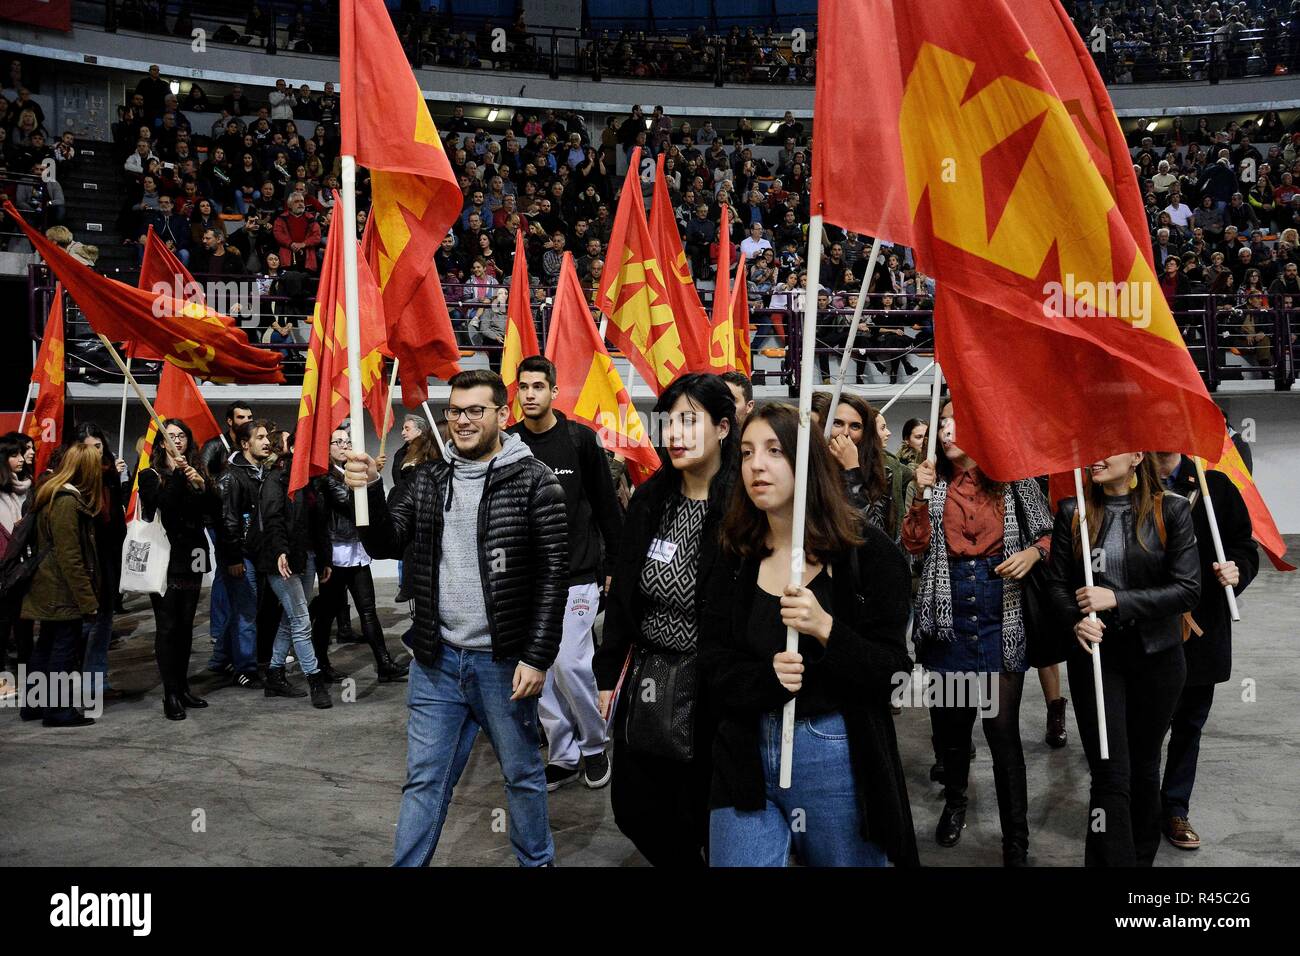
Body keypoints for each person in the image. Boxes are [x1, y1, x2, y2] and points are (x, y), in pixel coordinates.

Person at [346, 369, 568, 867]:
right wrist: (368, 493)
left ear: (501, 415)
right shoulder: (427, 477)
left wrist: (536, 657)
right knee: (424, 780)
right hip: (435, 660)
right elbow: (385, 541)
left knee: (523, 776)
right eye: (454, 411)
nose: (462, 421)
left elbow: (555, 578)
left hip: (503, 663)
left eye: (475, 411)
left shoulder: (536, 482)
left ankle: (538, 863)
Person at [701, 402, 918, 866]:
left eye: (774, 451)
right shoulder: (733, 549)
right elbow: (712, 662)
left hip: (833, 753)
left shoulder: (866, 552)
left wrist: (826, 629)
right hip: (745, 753)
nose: (756, 464)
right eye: (746, 452)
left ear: (808, 462)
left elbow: (894, 674)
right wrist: (764, 679)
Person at [593, 373, 737, 866]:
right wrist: (609, 672)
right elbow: (624, 592)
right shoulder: (652, 499)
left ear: (722, 428)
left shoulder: (746, 506)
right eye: (669, 421)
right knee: (635, 809)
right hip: (651, 678)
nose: (674, 434)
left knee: (704, 810)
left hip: (715, 688)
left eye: (689, 421)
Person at [905, 400, 1054, 866]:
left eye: (957, 420)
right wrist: (917, 495)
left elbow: (1048, 533)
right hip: (945, 614)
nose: (947, 429)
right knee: (951, 728)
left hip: (1000, 613)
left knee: (1002, 730)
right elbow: (911, 545)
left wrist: (1033, 554)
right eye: (943, 421)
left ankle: (1016, 838)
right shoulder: (931, 481)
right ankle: (955, 802)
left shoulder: (1012, 476)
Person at [1045, 453, 1200, 867]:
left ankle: (1140, 860)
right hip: (1096, 658)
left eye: (1107, 446)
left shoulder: (1172, 508)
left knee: (1146, 768)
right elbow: (1057, 586)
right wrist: (1076, 621)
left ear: (1135, 456)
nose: (1095, 457)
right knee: (1111, 773)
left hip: (1159, 658)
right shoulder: (1073, 510)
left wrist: (1118, 599)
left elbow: (1187, 589)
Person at [508, 357, 623, 791]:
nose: (532, 393)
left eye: (540, 386)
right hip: (524, 580)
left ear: (555, 392)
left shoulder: (580, 440)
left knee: (572, 663)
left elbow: (608, 509)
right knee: (538, 668)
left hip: (577, 573)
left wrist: (615, 565)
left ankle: (594, 745)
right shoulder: (508, 444)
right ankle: (562, 752)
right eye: (524, 386)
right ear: (517, 393)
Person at [1153, 451, 1258, 851]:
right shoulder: (1130, 485)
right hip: (1145, 629)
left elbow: (1244, 547)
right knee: (1146, 728)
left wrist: (1238, 570)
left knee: (1189, 724)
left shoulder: (1214, 488)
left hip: (1202, 631)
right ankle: (1137, 807)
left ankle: (1175, 808)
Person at [309, 427, 409, 684]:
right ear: (327, 447)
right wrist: (365, 480)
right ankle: (320, 664)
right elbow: (350, 503)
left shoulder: (347, 474)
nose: (344, 445)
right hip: (336, 553)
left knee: (368, 610)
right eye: (337, 441)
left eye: (347, 441)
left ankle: (384, 664)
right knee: (327, 614)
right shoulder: (325, 477)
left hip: (356, 551)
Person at [137, 419, 222, 721]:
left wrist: (201, 485)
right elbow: (166, 507)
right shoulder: (150, 475)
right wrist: (177, 476)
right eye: (170, 436)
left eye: (181, 436)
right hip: (166, 556)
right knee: (168, 626)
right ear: (161, 443)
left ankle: (183, 687)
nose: (177, 440)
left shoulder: (196, 471)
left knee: (186, 626)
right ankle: (170, 693)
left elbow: (214, 511)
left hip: (195, 553)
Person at [19, 444, 103, 727]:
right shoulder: (67, 501)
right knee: (63, 650)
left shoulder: (51, 492)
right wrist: (88, 601)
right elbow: (70, 557)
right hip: (60, 589)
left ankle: (34, 703)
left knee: (46, 646)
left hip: (48, 585)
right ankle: (57, 709)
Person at [259, 435, 334, 708]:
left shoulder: (314, 481)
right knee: (301, 621)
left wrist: (326, 558)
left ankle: (274, 674)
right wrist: (280, 551)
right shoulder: (277, 478)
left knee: (291, 620)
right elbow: (272, 518)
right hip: (284, 560)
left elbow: (319, 525)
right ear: (293, 449)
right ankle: (315, 680)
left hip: (308, 558)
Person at [216, 420, 274, 689]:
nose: (266, 441)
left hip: (257, 553)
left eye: (267, 437)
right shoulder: (232, 476)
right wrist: (234, 559)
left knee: (244, 611)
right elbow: (227, 521)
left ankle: (220, 659)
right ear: (244, 444)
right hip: (243, 556)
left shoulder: (261, 472)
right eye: (260, 437)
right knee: (247, 615)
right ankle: (246, 670)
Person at [74, 424, 126, 696]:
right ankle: (71, 687)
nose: (95, 454)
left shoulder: (109, 479)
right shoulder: (71, 484)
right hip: (84, 567)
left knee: (104, 625)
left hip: (107, 563)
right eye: (88, 448)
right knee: (82, 630)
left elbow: (117, 525)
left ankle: (97, 683)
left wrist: (116, 482)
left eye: (99, 447)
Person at [826, 395, 914, 542]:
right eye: (837, 423)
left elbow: (876, 535)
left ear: (865, 432)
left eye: (855, 426)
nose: (845, 432)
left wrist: (852, 471)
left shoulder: (882, 472)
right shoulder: (809, 468)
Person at [0, 436, 33, 698]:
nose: (21, 459)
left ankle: (27, 680)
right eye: (15, 454)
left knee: (24, 628)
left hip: (21, 570)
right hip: (4, 571)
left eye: (22, 453)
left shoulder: (26, 489)